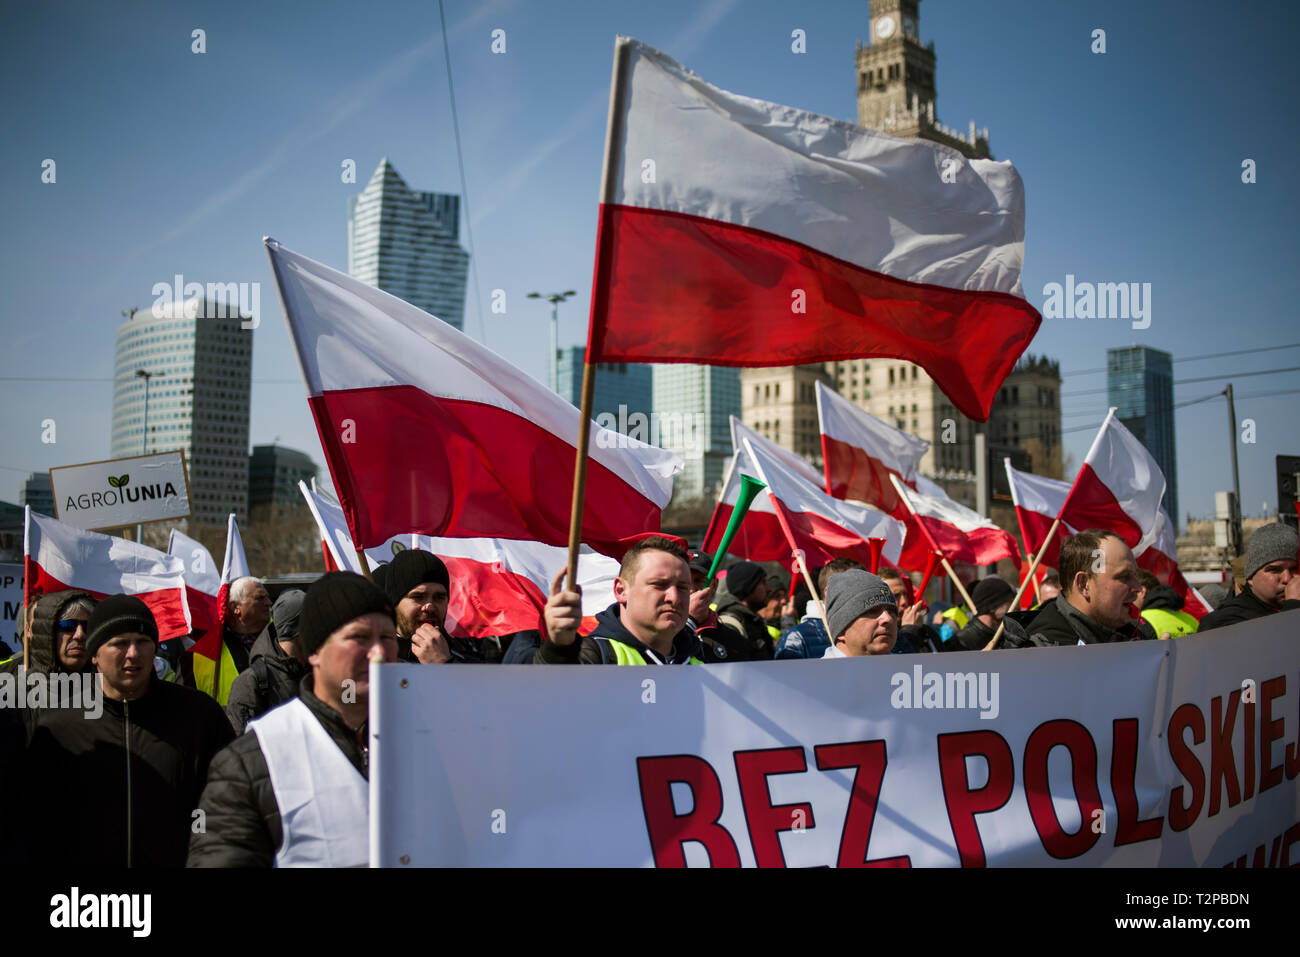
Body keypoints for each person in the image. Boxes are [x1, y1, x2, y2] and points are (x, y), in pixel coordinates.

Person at [188, 571, 398, 867]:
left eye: (387, 637)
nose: (377, 653)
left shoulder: (429, 739)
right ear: (315, 651)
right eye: (359, 638)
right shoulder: (251, 761)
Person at [25, 595, 235, 867]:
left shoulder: (200, 716)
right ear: (95, 655)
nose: (133, 653)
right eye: (120, 643)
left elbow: (229, 807)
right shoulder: (59, 727)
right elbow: (37, 824)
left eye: (143, 642)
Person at [534, 536, 705, 665]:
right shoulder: (594, 656)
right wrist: (558, 648)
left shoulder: (703, 660)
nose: (674, 597)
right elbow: (546, 699)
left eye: (683, 587)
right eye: (659, 585)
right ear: (621, 590)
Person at [1005, 530, 1145, 647]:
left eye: (1135, 576)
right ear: (1084, 584)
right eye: (1124, 576)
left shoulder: (1137, 638)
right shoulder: (1041, 653)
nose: (1137, 588)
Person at [224, 589, 308, 734]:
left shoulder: (321, 669)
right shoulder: (251, 682)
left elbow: (348, 705)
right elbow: (242, 746)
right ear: (296, 631)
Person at [383, 548, 484, 663]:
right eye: (418, 597)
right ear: (393, 603)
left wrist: (443, 665)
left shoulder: (470, 665)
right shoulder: (374, 664)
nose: (430, 607)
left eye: (439, 597)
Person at [184, 576, 273, 705]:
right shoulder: (198, 656)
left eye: (267, 597)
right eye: (260, 598)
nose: (269, 603)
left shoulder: (282, 638)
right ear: (235, 607)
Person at [1199, 523, 1300, 632]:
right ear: (1251, 577)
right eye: (1274, 570)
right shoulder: (1222, 622)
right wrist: (1293, 609)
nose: (1287, 578)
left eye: (1294, 569)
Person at [776, 559, 860, 659]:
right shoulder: (797, 638)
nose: (863, 593)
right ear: (830, 592)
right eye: (856, 587)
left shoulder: (868, 629)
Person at [821, 569, 898, 658]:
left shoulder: (910, 669)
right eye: (872, 611)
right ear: (841, 630)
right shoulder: (816, 672)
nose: (888, 618)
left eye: (891, 611)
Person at [714, 560, 776, 660]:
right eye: (763, 582)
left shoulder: (753, 620)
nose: (769, 588)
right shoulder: (730, 625)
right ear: (747, 587)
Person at [953, 577, 1028, 650]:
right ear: (992, 607)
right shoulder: (963, 641)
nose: (1014, 606)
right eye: (1009, 601)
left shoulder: (1005, 635)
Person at [1135, 571, 1199, 639]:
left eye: (1132, 591)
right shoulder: (1190, 619)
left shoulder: (1139, 620)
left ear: (1142, 591)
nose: (1128, 598)